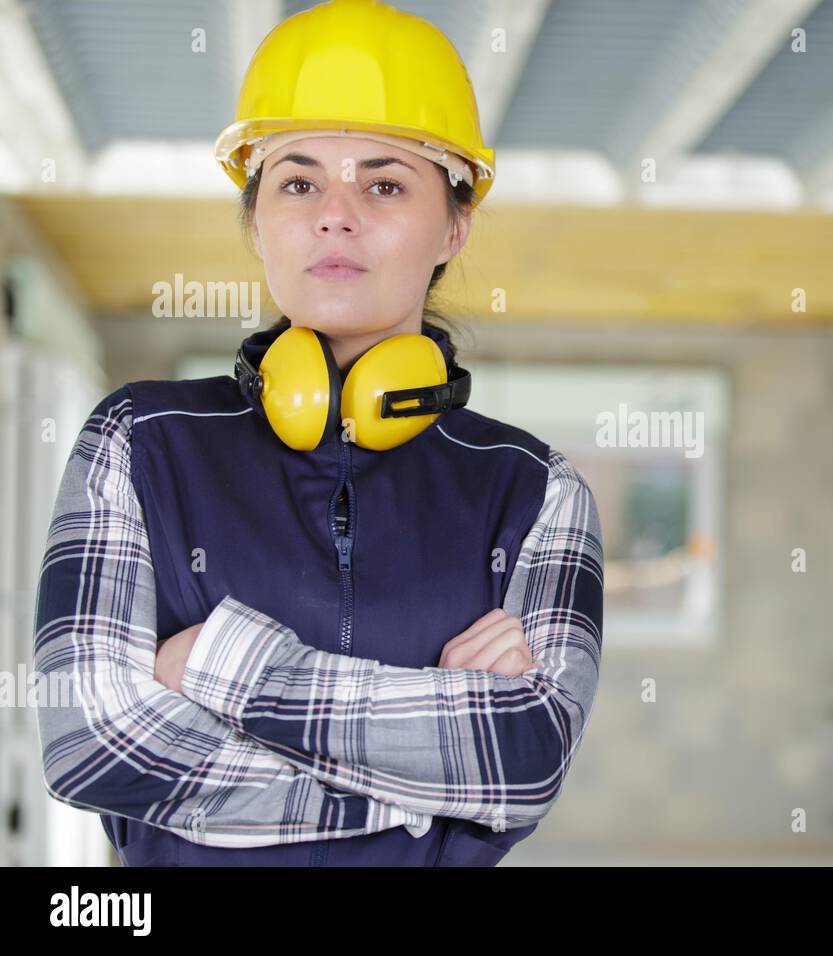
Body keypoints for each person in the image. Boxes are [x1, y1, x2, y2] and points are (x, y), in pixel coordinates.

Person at [31, 0, 603, 867]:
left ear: (454, 224)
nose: (336, 215)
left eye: (384, 183)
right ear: (256, 219)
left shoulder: (533, 487)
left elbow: (524, 764)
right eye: (299, 181)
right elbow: (91, 746)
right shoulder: (140, 441)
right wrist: (423, 783)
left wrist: (216, 663)